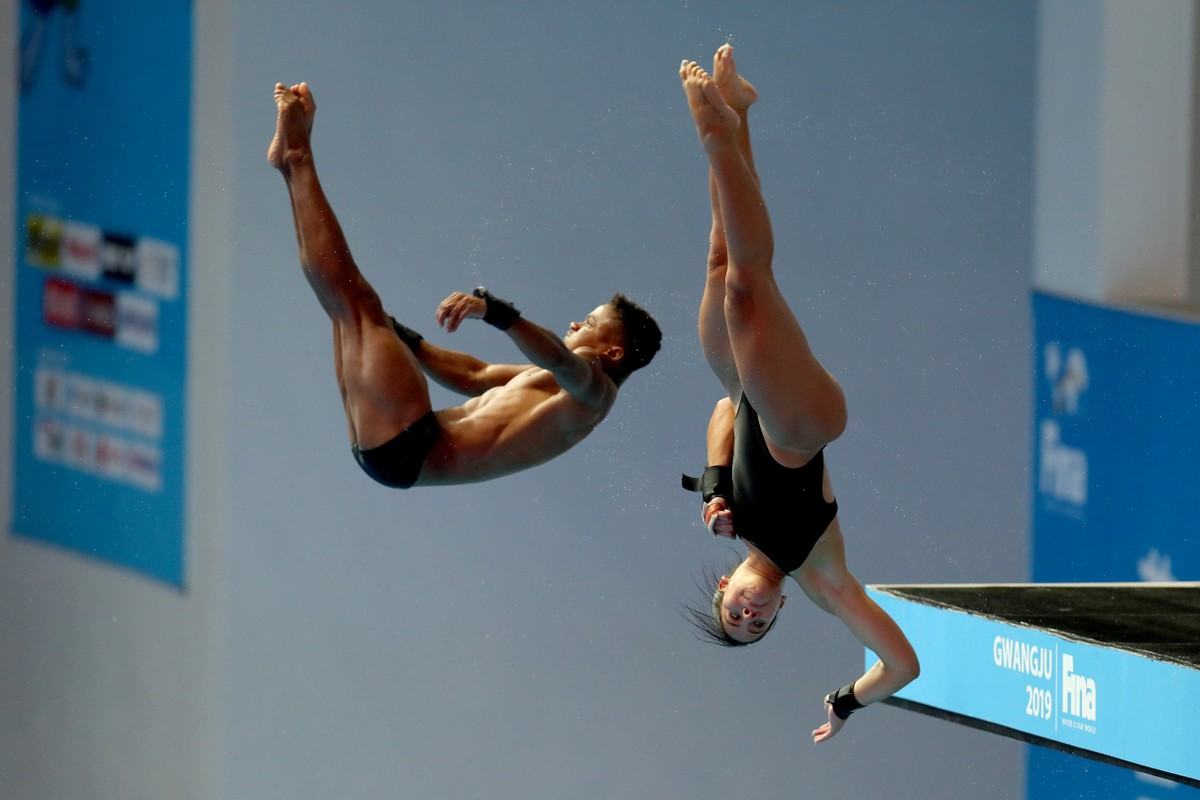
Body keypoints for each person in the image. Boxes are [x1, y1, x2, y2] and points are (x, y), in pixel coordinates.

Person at [678, 47, 919, 743]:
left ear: (725, 589)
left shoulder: (727, 517)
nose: (752, 614)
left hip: (745, 395)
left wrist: (714, 486)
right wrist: (848, 700)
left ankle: (739, 112)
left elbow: (723, 414)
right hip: (801, 424)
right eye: (759, 627)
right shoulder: (819, 578)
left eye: (736, 615)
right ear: (779, 613)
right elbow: (902, 664)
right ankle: (717, 137)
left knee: (724, 260)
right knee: (746, 286)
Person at [268, 82, 661, 488]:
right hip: (399, 446)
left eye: (590, 324)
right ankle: (290, 164)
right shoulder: (546, 382)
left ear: (613, 351)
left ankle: (298, 158)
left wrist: (495, 312)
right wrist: (406, 339)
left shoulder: (594, 396)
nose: (576, 325)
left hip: (411, 446)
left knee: (355, 301)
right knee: (348, 307)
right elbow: (477, 373)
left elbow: (561, 360)